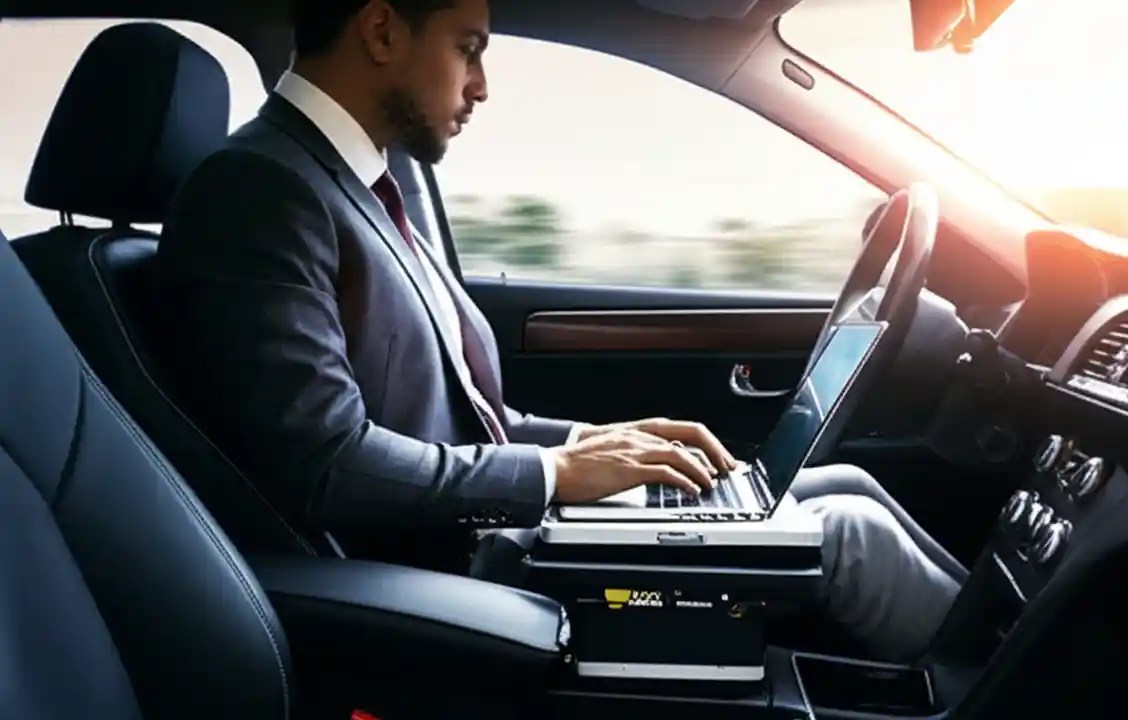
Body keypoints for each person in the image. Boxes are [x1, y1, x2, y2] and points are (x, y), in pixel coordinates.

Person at [156, 0, 963, 662]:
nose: (481, 86)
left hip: (484, 528)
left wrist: (603, 443)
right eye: (468, 48)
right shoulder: (260, 192)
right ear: (380, 31)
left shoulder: (358, 187)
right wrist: (554, 474)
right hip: (452, 572)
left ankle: (1007, 653)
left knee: (848, 491)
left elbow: (459, 413)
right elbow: (326, 466)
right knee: (849, 537)